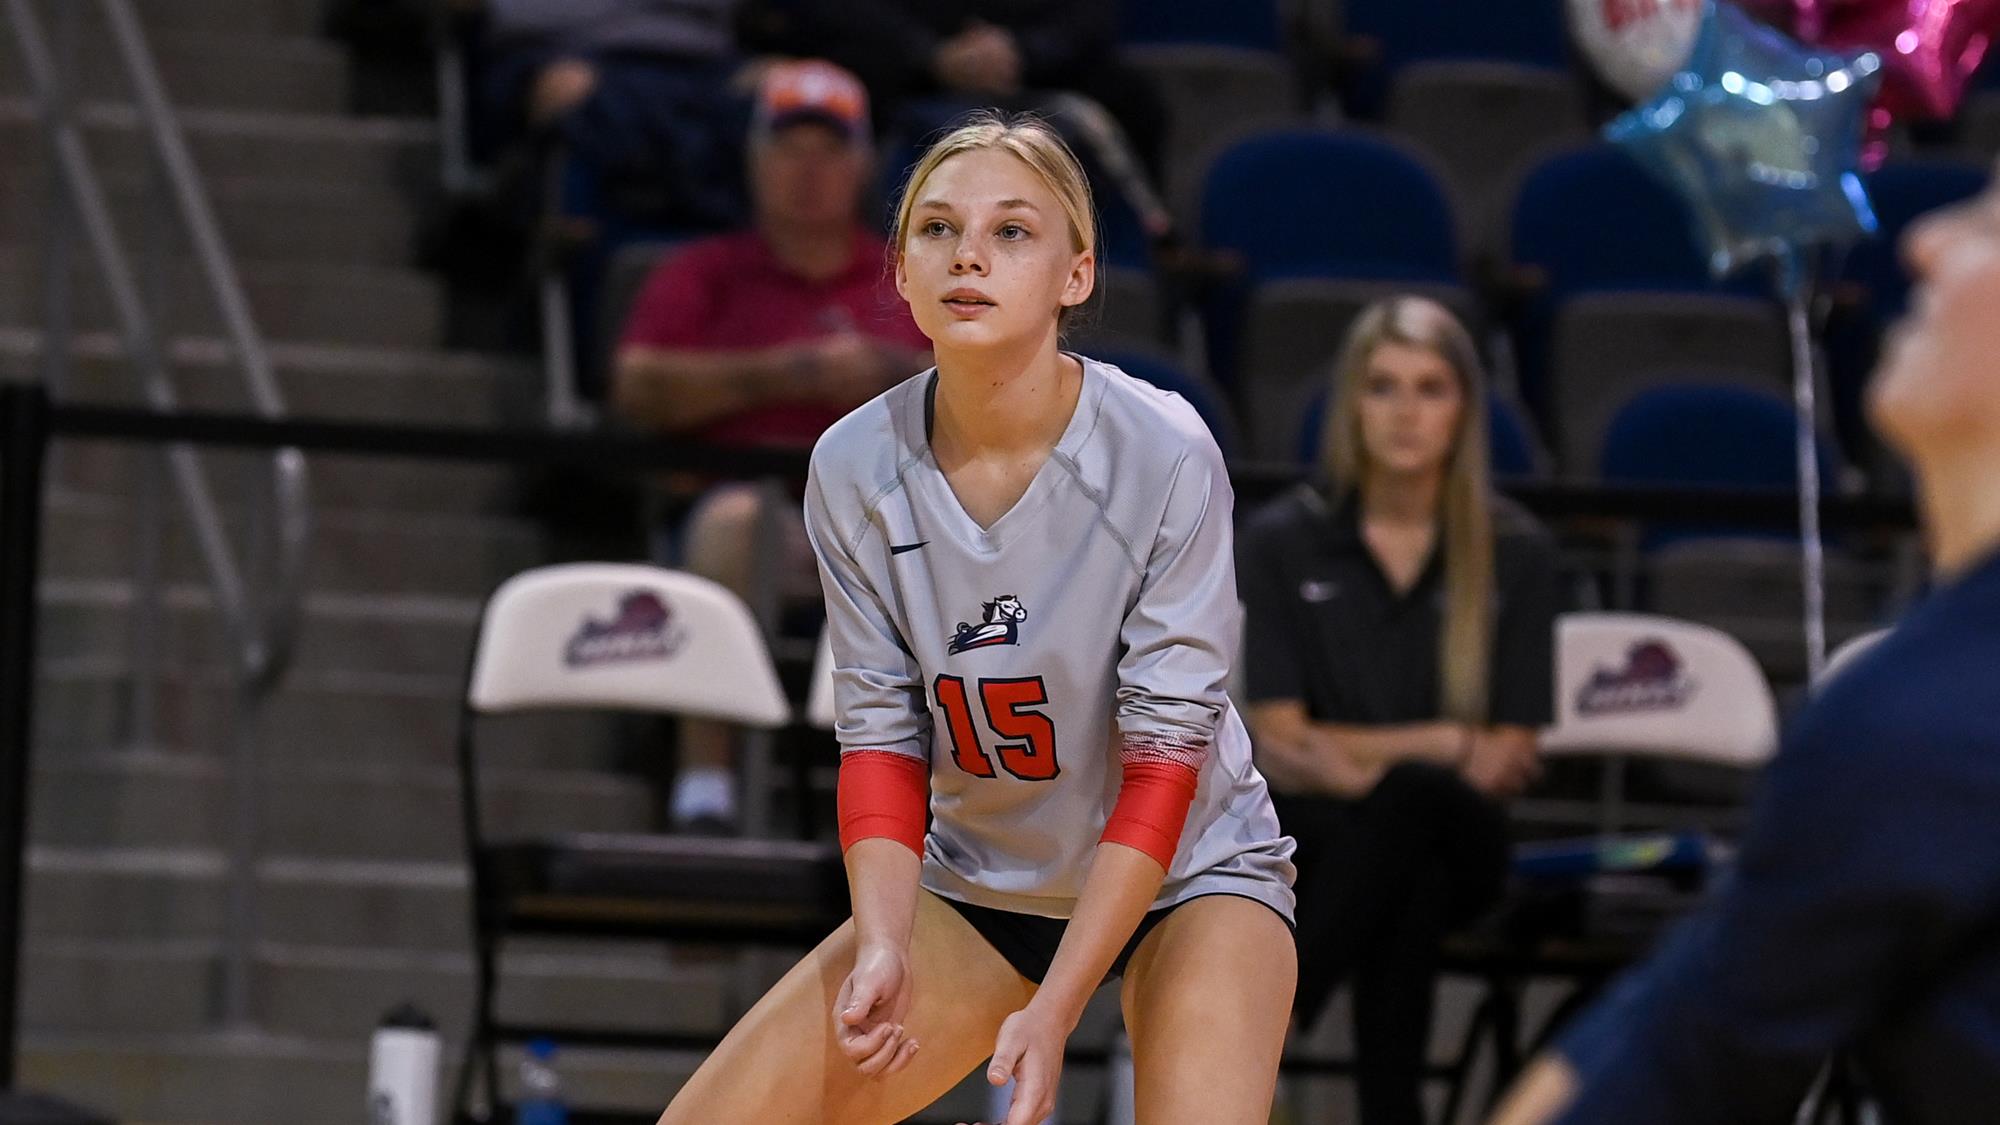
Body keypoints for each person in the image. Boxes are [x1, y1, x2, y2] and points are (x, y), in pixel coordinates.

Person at [653, 111, 1297, 1125]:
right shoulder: (852, 464)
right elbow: (879, 737)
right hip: (981, 885)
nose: (968, 255)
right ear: (900, 273)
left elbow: (1165, 759)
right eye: (938, 228)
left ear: (1075, 275)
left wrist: (1057, 1005)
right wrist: (882, 941)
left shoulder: (1163, 450)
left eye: (1011, 231)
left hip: (1189, 873)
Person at [1490, 164, 2000, 1124]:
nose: (1927, 239)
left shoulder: (1926, 718)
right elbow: (1683, 1016)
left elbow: (1675, 1065)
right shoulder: (1928, 693)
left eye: (1993, 225)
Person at [1236, 296, 1558, 1125]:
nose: (1406, 412)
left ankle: (1265, 1022)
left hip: (1466, 838)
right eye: (1382, 387)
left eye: (1430, 388)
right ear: (1351, 404)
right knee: (1406, 864)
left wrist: (1370, 759)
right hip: (1325, 838)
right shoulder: (1281, 542)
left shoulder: (1519, 552)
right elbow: (1281, 741)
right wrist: (1448, 741)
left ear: (1464, 409)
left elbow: (1507, 758)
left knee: (1414, 807)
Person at [612, 59, 932, 831]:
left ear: (864, 167)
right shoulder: (703, 273)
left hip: (896, 517)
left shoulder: (915, 277)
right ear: (755, 161)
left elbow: (995, 392)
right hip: (763, 514)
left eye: (829, 151)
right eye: (789, 149)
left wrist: (890, 373)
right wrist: (787, 375)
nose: (809, 171)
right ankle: (706, 790)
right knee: (735, 526)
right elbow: (639, 388)